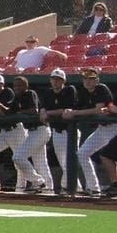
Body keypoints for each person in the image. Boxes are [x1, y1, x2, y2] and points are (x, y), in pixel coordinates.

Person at [73, 66, 117, 198]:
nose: (87, 81)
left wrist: (75, 113)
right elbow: (76, 108)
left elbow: (97, 109)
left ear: (97, 80)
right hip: (101, 129)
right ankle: (93, 187)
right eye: (85, 78)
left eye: (91, 79)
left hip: (114, 128)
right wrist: (69, 111)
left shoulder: (102, 88)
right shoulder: (83, 92)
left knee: (114, 158)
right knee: (82, 153)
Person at [37, 67, 80, 195]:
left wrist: (48, 112)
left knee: (69, 162)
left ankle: (68, 188)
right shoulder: (49, 93)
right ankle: (75, 189)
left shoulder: (69, 90)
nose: (55, 82)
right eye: (53, 79)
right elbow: (43, 107)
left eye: (58, 79)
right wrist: (43, 111)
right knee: (63, 163)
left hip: (70, 132)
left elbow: (67, 109)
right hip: (57, 131)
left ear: (63, 81)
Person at [7, 75, 51, 193]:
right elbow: (9, 111)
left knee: (18, 157)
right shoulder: (17, 98)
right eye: (15, 85)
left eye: (19, 85)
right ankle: (48, 189)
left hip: (41, 130)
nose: (16, 87)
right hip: (32, 132)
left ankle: (38, 181)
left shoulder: (30, 93)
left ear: (26, 86)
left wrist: (19, 112)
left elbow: (33, 110)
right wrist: (0, 108)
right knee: (41, 163)